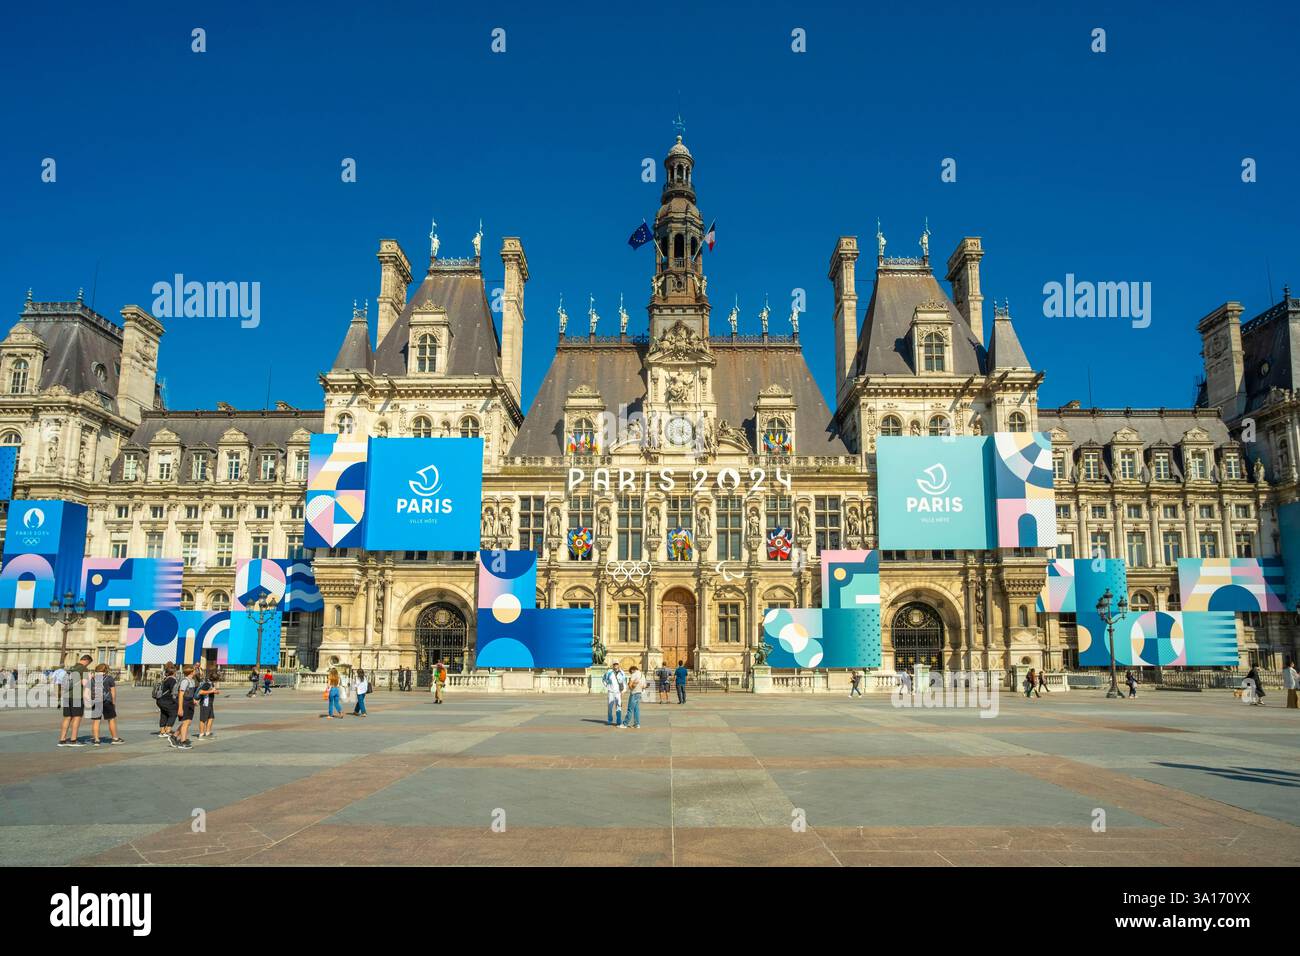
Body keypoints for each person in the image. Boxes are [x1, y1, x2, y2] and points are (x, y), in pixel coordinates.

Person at [57, 655, 93, 748]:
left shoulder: (71, 668)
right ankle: (73, 740)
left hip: (66, 695)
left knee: (67, 718)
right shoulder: (83, 669)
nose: (88, 665)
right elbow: (85, 683)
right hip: (76, 696)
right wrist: (90, 678)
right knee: (77, 717)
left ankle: (62, 739)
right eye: (89, 663)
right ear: (86, 661)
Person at [88, 663, 122, 746]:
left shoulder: (92, 679)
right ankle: (115, 738)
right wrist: (113, 703)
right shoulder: (109, 678)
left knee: (96, 721)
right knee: (111, 720)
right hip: (107, 701)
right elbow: (113, 692)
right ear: (106, 670)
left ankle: (96, 740)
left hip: (96, 701)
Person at [170, 665, 198, 749]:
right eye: (194, 670)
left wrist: (193, 700)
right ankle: (183, 741)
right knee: (185, 722)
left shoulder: (192, 681)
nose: (196, 671)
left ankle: (174, 736)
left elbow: (189, 693)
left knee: (188, 722)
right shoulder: (185, 681)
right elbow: (181, 695)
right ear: (191, 672)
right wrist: (180, 708)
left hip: (190, 702)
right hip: (184, 703)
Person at [155, 663, 179, 737]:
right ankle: (168, 730)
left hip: (160, 700)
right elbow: (174, 692)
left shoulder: (165, 678)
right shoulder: (172, 680)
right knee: (173, 713)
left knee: (164, 714)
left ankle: (162, 731)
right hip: (167, 701)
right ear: (174, 672)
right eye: (176, 672)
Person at [603, 661, 626, 726]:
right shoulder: (609, 672)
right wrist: (608, 686)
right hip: (611, 692)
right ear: (613, 665)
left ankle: (619, 721)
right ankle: (610, 720)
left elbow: (624, 682)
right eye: (614, 664)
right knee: (610, 707)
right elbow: (604, 679)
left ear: (618, 665)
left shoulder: (622, 673)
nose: (615, 665)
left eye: (617, 664)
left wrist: (623, 691)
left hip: (618, 692)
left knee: (618, 706)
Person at [196, 668, 218, 738]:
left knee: (211, 717)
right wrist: (212, 691)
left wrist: (215, 692)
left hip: (210, 703)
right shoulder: (207, 684)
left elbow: (211, 691)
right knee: (203, 719)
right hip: (205, 703)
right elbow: (201, 692)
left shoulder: (211, 683)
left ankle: (208, 732)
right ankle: (201, 734)